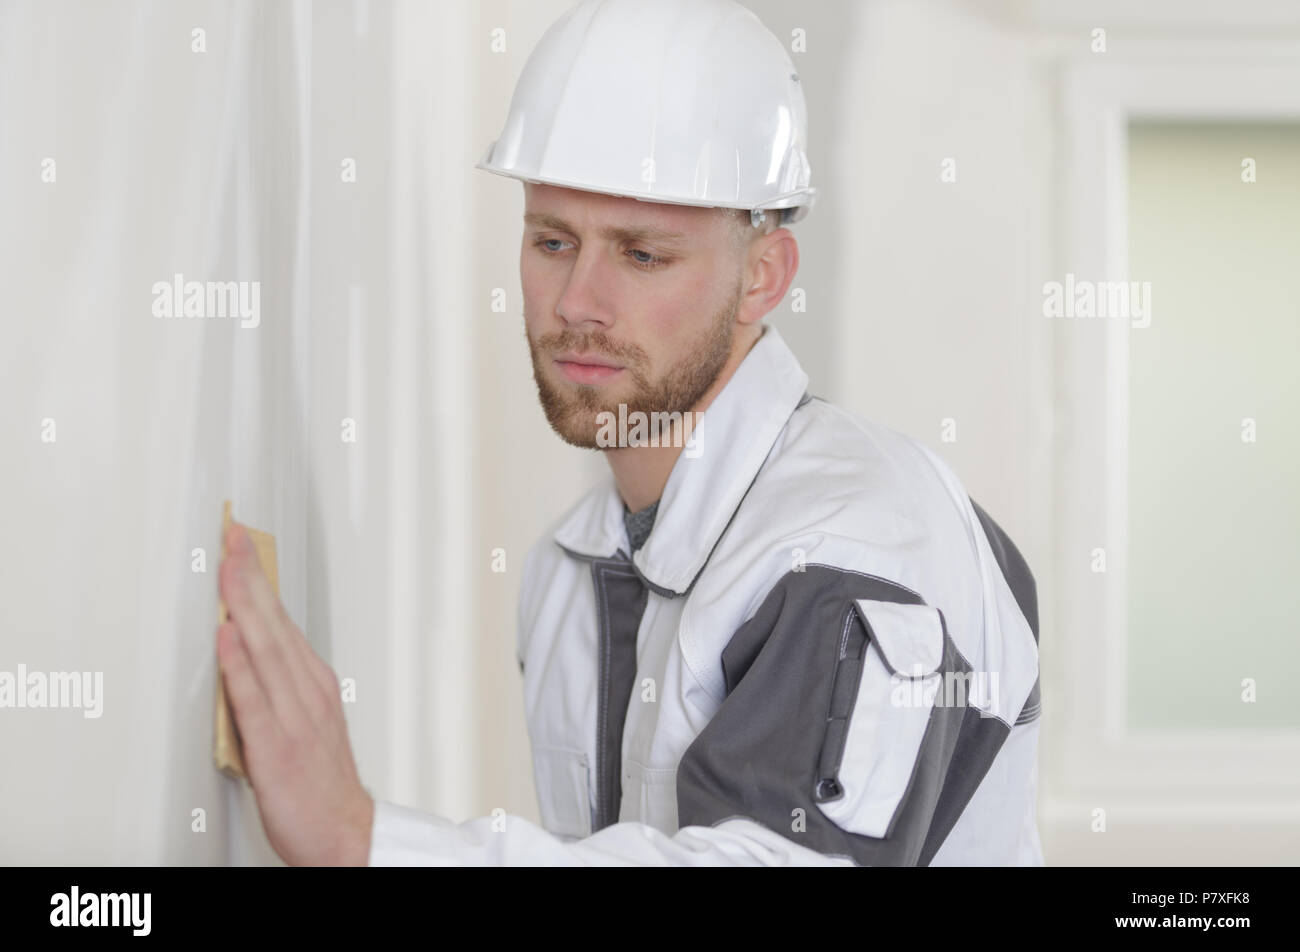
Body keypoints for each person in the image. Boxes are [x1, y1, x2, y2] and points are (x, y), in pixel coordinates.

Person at [216, 0, 1043, 866]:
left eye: (642, 255)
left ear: (764, 277)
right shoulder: (570, 571)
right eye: (552, 241)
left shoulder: (860, 542)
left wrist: (364, 842)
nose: (577, 303)